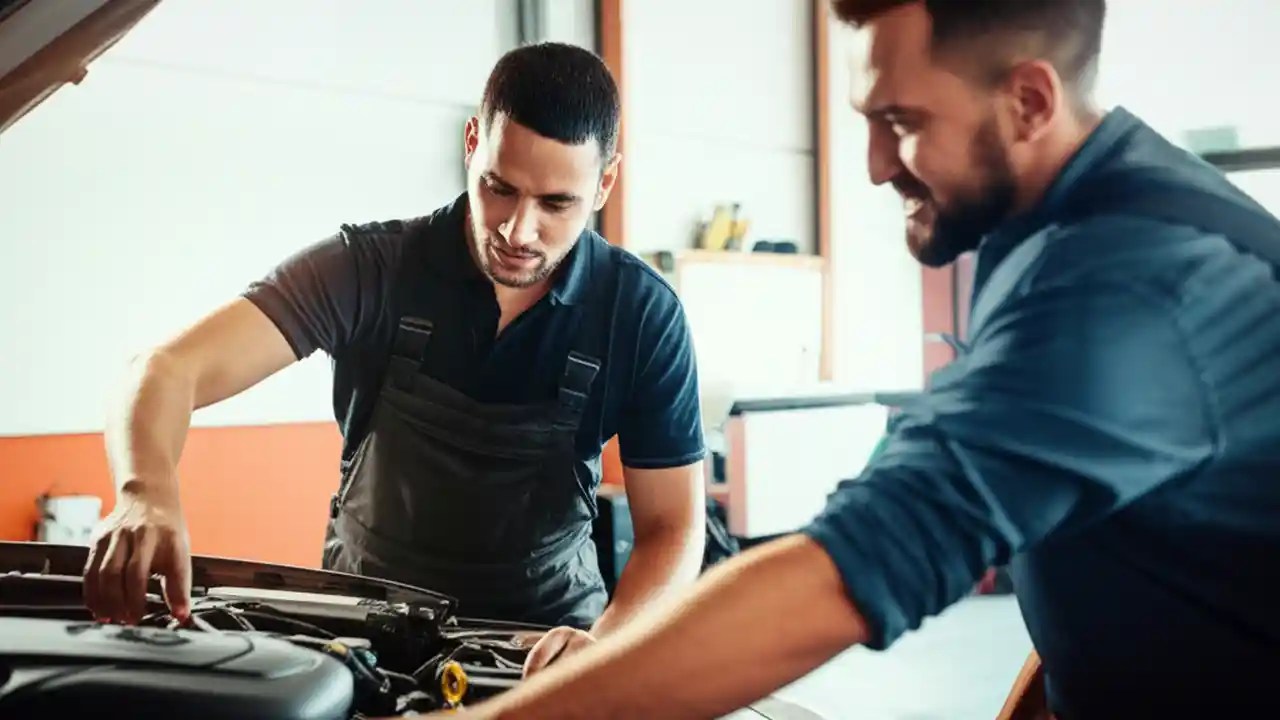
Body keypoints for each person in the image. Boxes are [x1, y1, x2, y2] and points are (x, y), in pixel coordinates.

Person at [413, 1, 1280, 718]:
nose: (871, 167)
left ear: (1028, 101)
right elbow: (1100, 559)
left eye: (900, 123)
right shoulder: (1058, 225)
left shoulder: (1135, 288)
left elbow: (846, 573)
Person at [81, 41, 709, 677]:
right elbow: (163, 371)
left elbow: (675, 528)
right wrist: (143, 492)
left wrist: (607, 642)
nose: (519, 231)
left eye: (556, 204)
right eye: (499, 187)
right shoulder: (369, 270)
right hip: (362, 644)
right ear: (471, 143)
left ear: (604, 183)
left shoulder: (639, 315)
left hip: (545, 657)